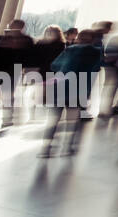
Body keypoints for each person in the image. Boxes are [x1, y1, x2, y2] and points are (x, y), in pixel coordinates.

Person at [40, 28, 102, 157]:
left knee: (53, 119)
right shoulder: (97, 52)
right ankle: (68, 147)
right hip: (80, 88)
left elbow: (55, 65)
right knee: (72, 120)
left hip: (61, 86)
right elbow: (98, 67)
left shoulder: (70, 49)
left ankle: (45, 148)